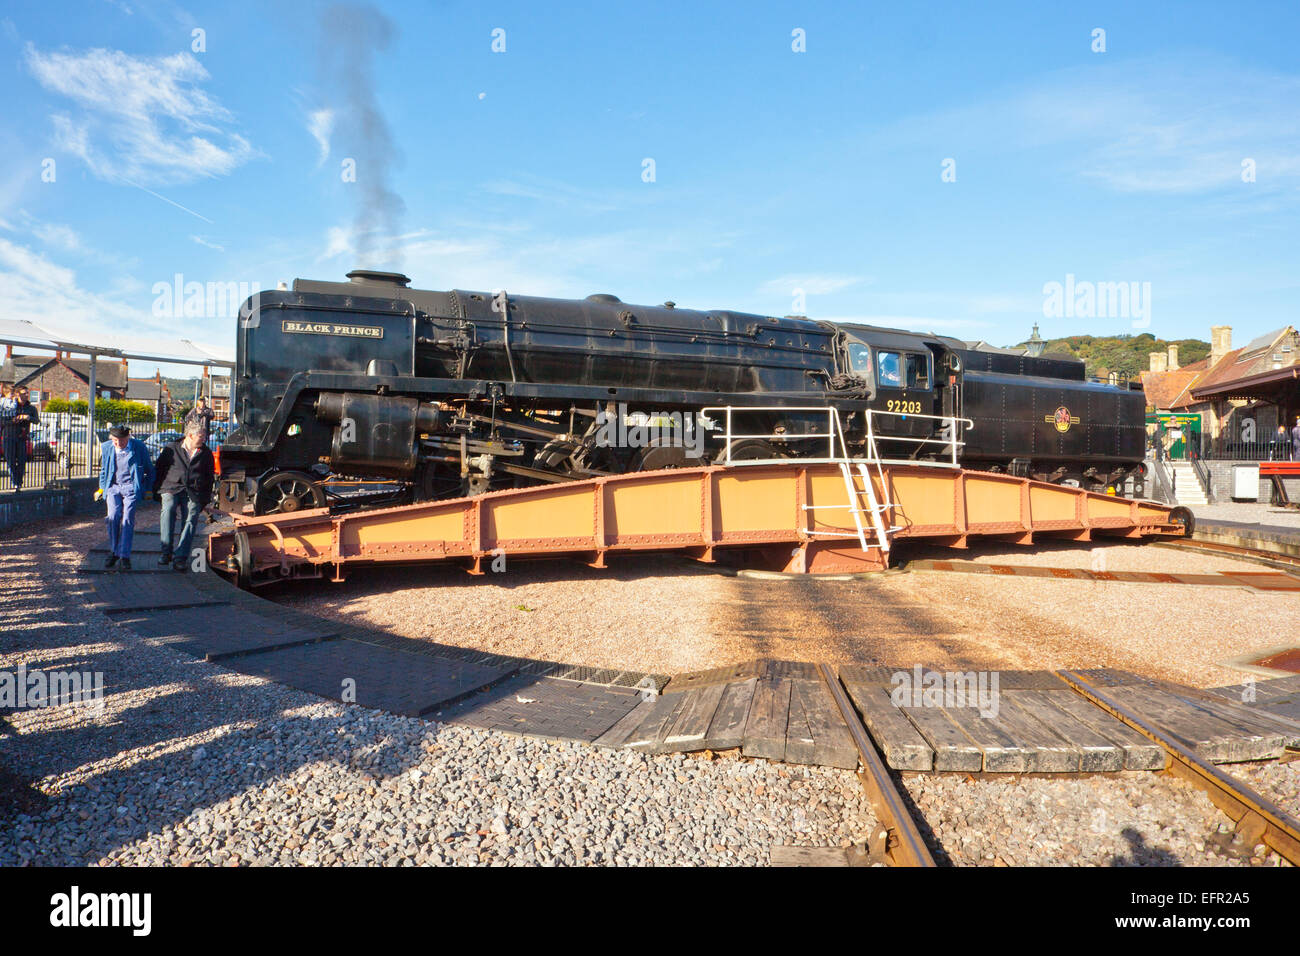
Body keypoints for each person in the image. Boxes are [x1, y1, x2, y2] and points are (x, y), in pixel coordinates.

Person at [152, 422, 216, 572]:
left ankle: (180, 557)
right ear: (190, 435)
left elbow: (209, 476)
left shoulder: (205, 453)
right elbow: (159, 468)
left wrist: (205, 499)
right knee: (168, 510)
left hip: (194, 490)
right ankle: (166, 551)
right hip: (171, 486)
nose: (204, 439)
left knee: (191, 519)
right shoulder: (171, 448)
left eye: (205, 436)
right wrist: (158, 490)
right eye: (201, 436)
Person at [96, 425, 154, 571]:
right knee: (113, 517)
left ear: (128, 437)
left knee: (128, 520)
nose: (118, 444)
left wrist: (147, 489)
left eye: (121, 440)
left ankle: (125, 555)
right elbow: (104, 470)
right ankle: (114, 551)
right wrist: (102, 487)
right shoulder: (107, 447)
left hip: (131, 487)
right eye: (115, 440)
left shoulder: (139, 447)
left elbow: (150, 470)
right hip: (113, 486)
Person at [1, 385, 39, 492]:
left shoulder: (31, 408)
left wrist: (28, 417)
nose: (26, 395)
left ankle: (18, 483)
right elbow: (2, 421)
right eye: (23, 393)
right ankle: (15, 483)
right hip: (9, 436)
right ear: (18, 394)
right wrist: (13, 420)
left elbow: (37, 420)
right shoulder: (10, 405)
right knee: (11, 461)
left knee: (22, 462)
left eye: (27, 393)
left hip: (22, 437)